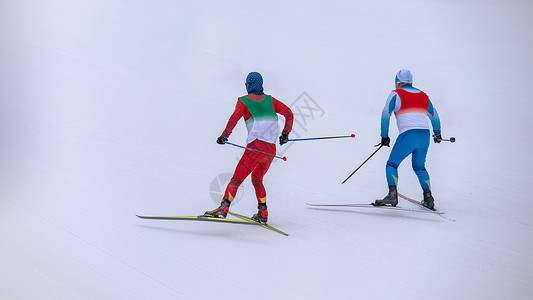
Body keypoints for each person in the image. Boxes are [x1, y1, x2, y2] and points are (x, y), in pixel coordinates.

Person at [204, 72, 294, 223]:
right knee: (257, 180)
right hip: (271, 150)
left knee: (236, 180)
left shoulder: (244, 101)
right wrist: (285, 135)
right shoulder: (271, 101)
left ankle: (223, 208)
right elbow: (289, 114)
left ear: (248, 85)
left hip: (255, 147)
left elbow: (234, 119)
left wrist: (224, 136)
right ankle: (263, 213)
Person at [374, 69, 441, 210]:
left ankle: (392, 195)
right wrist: (437, 133)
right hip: (424, 135)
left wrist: (384, 136)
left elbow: (385, 114)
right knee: (419, 167)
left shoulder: (396, 94)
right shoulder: (423, 95)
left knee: (392, 164)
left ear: (398, 83)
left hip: (408, 134)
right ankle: (428, 198)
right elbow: (434, 115)